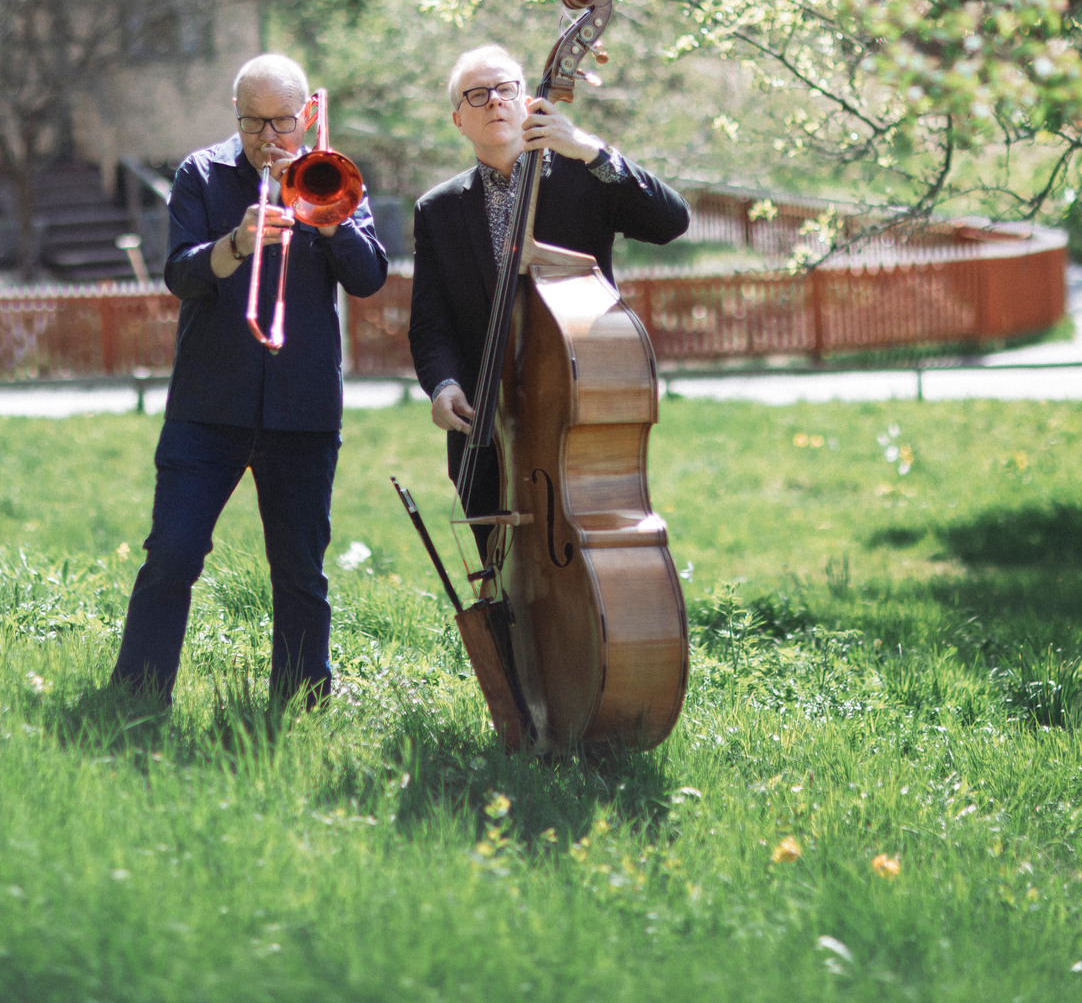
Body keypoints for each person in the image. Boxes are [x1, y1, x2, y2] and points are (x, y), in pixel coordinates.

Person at [108, 54, 388, 704]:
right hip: (209, 403)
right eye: (254, 122)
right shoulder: (201, 174)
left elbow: (369, 278)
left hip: (304, 407)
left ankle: (300, 704)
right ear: (236, 116)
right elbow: (180, 275)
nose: (268, 138)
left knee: (300, 571)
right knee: (171, 555)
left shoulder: (335, 178)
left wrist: (327, 210)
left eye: (282, 122)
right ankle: (137, 697)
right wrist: (235, 243)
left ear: (305, 116)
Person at [408, 44, 689, 546]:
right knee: (503, 576)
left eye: (505, 89)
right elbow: (431, 323)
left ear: (528, 100)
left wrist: (593, 151)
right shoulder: (438, 210)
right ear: (458, 120)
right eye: (477, 95)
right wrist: (444, 384)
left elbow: (671, 222)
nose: (495, 101)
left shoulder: (583, 173)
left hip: (576, 414)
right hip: (486, 427)